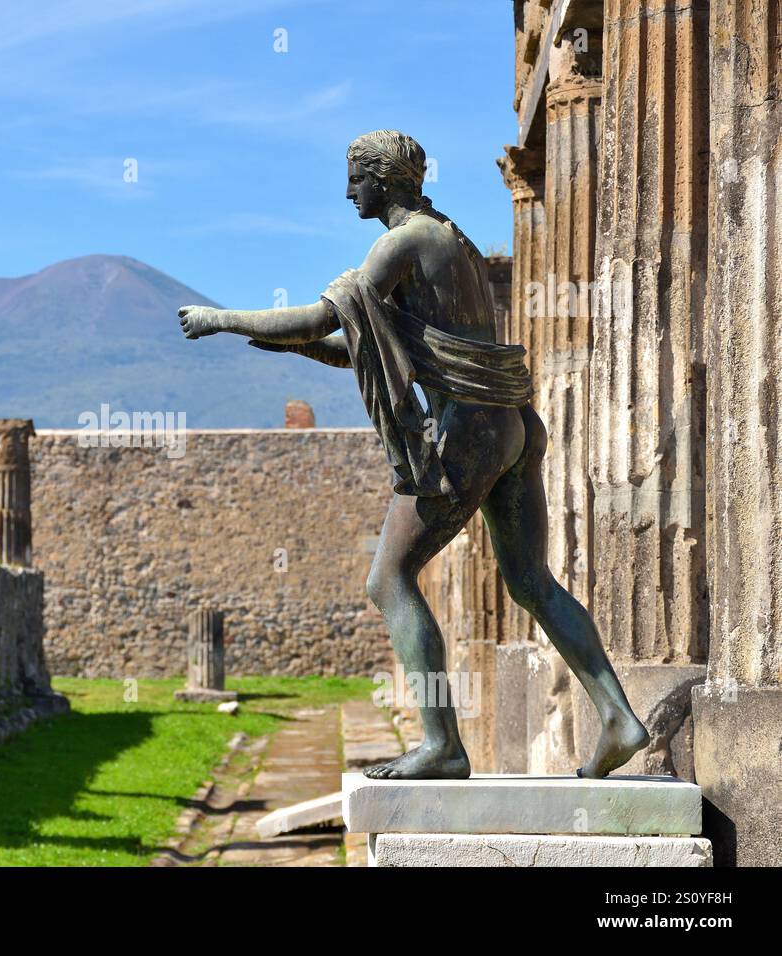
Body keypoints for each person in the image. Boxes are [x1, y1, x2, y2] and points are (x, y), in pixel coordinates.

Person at [178, 130, 649, 779]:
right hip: (511, 424)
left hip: (466, 434)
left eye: (356, 177)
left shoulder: (401, 243)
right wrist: (295, 347)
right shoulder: (451, 238)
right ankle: (619, 715)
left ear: (387, 179)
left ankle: (442, 745)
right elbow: (376, 349)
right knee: (531, 583)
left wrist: (225, 320)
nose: (348, 191)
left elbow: (323, 320)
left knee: (389, 579)